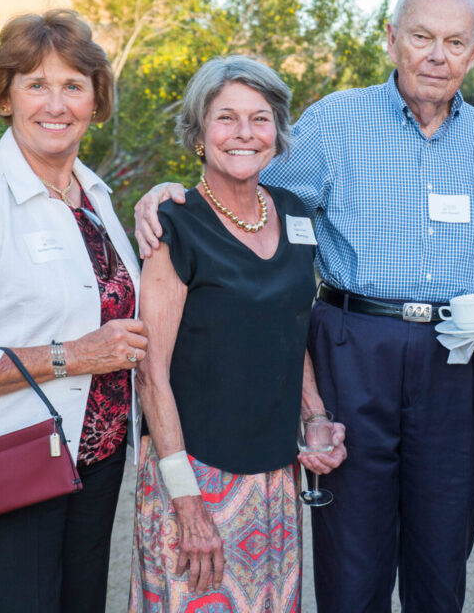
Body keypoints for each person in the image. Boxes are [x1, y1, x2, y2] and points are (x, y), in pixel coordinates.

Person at [134, 0, 474, 613]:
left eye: (455, 42)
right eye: (421, 36)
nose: (436, 55)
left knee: (445, 544)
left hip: (457, 359)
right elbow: (242, 186)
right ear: (393, 38)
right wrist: (166, 198)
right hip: (355, 346)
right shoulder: (335, 123)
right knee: (352, 550)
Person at [0, 10, 147, 613]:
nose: (55, 103)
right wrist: (73, 356)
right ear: (5, 96)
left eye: (72, 85)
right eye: (35, 84)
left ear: (96, 100)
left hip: (92, 463)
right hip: (4, 465)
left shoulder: (92, 197)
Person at [129, 56, 344, 612]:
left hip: (273, 476)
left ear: (278, 131)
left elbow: (288, 325)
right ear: (199, 133)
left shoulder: (296, 214)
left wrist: (315, 417)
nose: (245, 133)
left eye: (260, 118)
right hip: (198, 473)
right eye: (226, 118)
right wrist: (185, 501)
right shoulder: (174, 225)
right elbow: (150, 374)